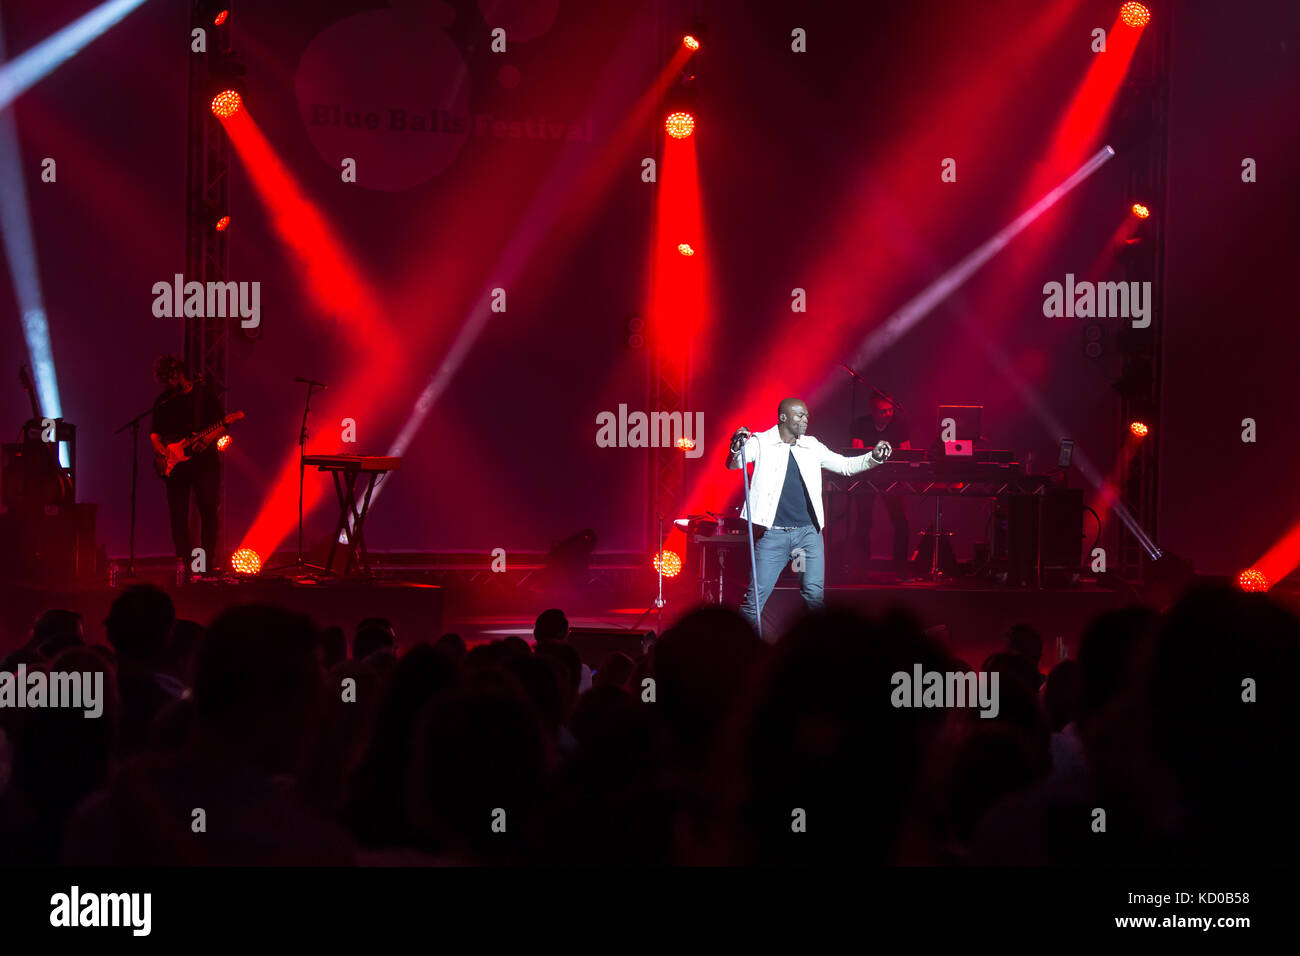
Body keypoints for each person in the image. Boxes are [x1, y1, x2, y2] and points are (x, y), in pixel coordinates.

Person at [727, 398, 892, 634]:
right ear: (783, 417)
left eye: (806, 415)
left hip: (808, 535)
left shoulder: (812, 446)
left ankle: (818, 655)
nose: (806, 420)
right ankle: (739, 652)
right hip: (774, 536)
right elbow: (734, 464)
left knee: (814, 597)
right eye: (800, 416)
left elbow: (845, 466)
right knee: (754, 600)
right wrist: (736, 446)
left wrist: (873, 457)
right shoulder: (760, 441)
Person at [149, 355, 224, 578]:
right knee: (177, 516)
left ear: (180, 372)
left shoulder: (205, 396)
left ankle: (207, 564)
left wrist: (207, 440)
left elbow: (222, 425)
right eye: (164, 379)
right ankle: (185, 564)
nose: (169, 382)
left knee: (208, 511)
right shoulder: (163, 401)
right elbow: (155, 433)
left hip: (204, 463)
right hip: (176, 465)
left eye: (171, 377)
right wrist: (161, 451)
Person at [851, 396, 912, 577]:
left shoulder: (899, 424)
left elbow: (908, 453)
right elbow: (856, 452)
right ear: (873, 411)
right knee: (863, 523)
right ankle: (861, 569)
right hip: (866, 479)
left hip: (892, 479)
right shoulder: (861, 424)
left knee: (901, 523)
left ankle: (900, 569)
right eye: (882, 411)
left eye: (889, 411)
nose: (886, 415)